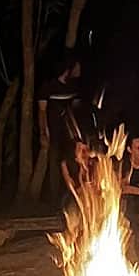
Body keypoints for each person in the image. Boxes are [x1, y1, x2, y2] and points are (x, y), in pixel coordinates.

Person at [37, 57, 83, 199]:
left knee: (73, 163)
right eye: (76, 68)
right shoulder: (48, 86)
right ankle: (54, 197)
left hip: (71, 135)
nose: (79, 71)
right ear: (67, 70)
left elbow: (77, 110)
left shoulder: (74, 86)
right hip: (54, 131)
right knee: (55, 163)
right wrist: (43, 131)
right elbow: (42, 111)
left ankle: (74, 195)